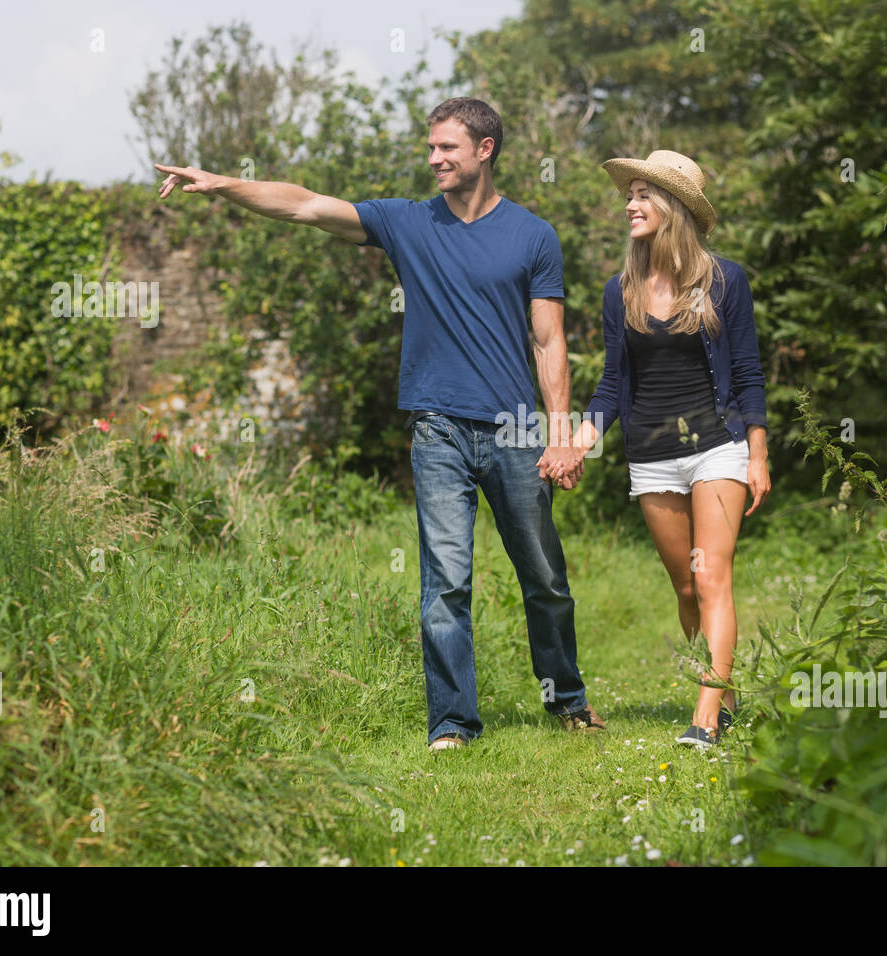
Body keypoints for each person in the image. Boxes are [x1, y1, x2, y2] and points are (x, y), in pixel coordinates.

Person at [155, 97, 603, 752]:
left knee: (543, 575)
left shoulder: (533, 235)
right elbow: (306, 204)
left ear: (485, 149)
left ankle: (565, 696)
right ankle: (453, 723)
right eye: (429, 148)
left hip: (515, 431)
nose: (433, 158)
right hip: (438, 430)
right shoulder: (405, 222)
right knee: (445, 580)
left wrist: (559, 432)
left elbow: (549, 341)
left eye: (446, 147)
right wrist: (223, 185)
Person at [554, 150, 771, 749]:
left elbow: (749, 374)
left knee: (710, 579)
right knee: (684, 587)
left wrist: (758, 453)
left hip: (717, 447)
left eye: (644, 194)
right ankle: (726, 695)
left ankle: (704, 720)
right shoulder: (618, 292)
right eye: (630, 194)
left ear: (673, 207)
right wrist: (579, 443)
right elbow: (612, 386)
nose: (630, 203)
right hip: (651, 454)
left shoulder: (725, 282)